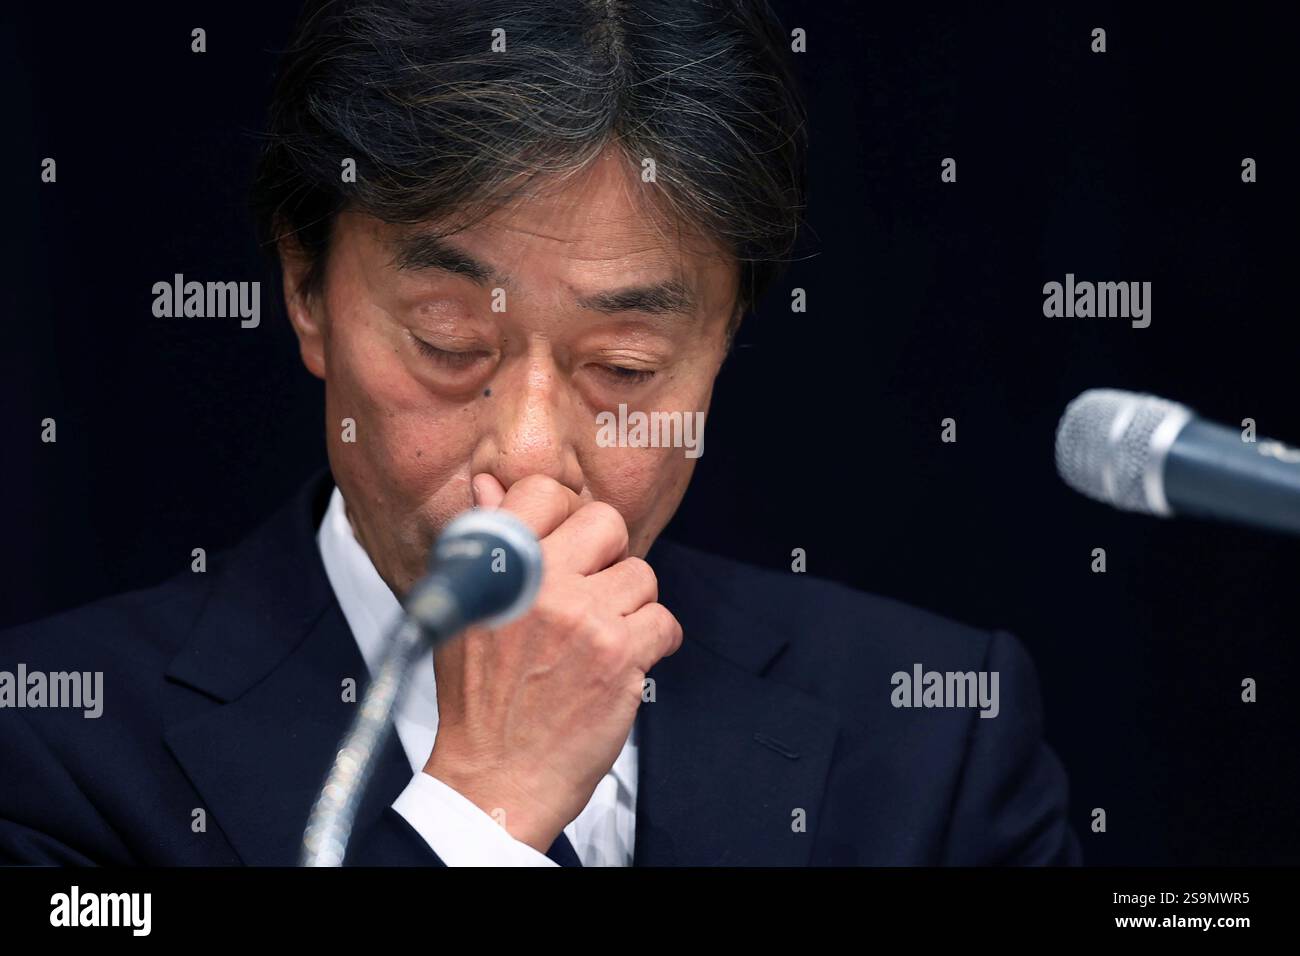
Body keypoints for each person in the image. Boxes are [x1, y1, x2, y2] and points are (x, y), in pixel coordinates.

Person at [0, 0, 1080, 866]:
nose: (524, 450)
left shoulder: (934, 735)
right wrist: (481, 810)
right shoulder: (52, 745)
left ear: (723, 340)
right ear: (306, 289)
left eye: (624, 369)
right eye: (448, 341)